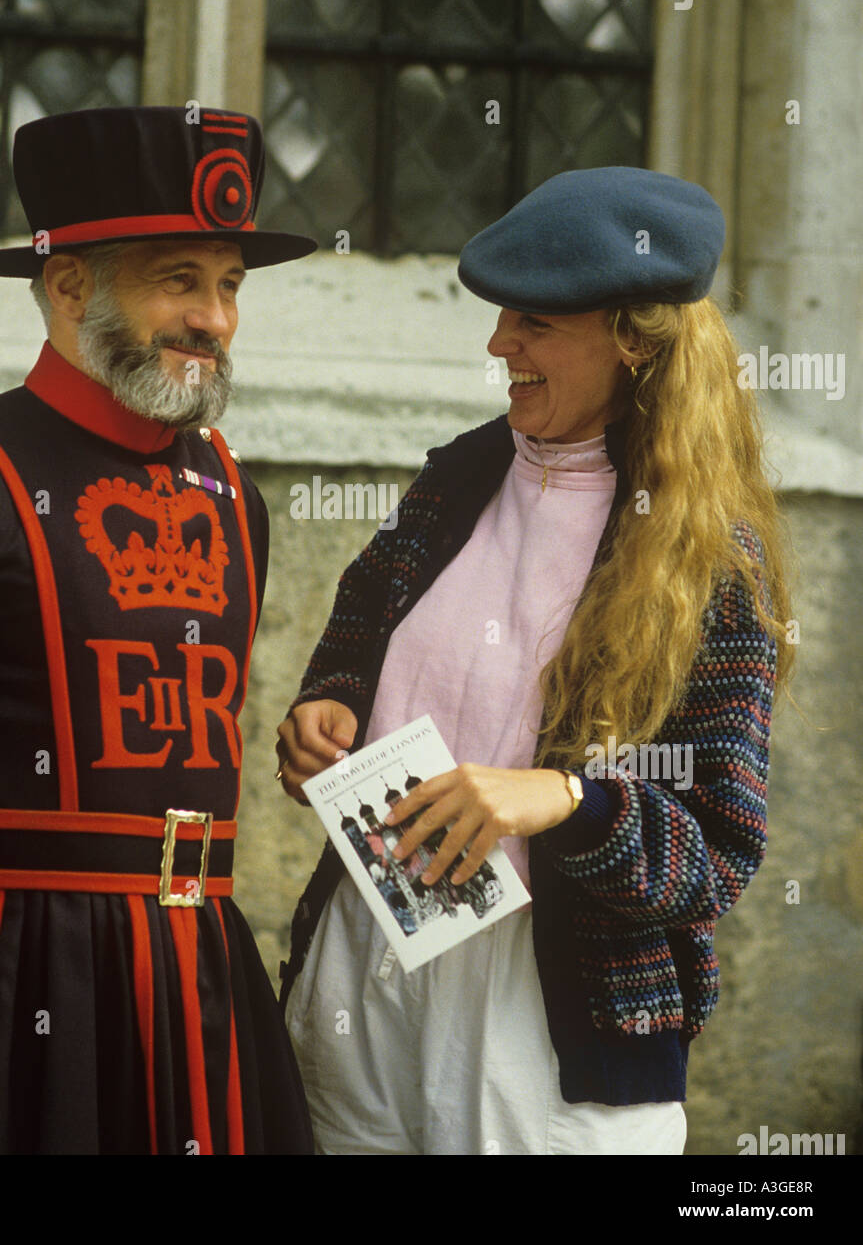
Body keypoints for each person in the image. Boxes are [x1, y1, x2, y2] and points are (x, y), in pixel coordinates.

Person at [0, 105, 316, 1155]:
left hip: (193, 989)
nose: (216, 319)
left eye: (229, 284)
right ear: (68, 286)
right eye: (178, 279)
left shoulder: (238, 498)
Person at [276, 166, 793, 1155]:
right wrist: (323, 718)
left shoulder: (710, 561)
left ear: (633, 342)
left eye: (534, 323)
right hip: (365, 960)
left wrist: (565, 800)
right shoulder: (457, 476)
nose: (497, 343)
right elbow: (349, 650)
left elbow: (717, 852)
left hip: (551, 1023)